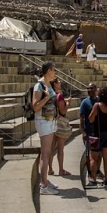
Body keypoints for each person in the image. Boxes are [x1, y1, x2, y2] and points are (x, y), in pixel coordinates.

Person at [30, 63, 62, 195]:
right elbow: (35, 106)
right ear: (49, 71)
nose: (55, 72)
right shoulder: (39, 85)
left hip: (50, 121)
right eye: (54, 70)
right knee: (45, 153)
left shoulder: (48, 84)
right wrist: (47, 98)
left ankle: (45, 180)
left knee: (48, 152)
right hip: (43, 122)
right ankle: (43, 185)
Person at [86, 88, 107, 187]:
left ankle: (94, 180)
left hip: (97, 135)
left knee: (93, 158)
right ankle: (106, 179)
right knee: (106, 157)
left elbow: (91, 119)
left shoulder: (97, 106)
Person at [51, 77, 72, 176]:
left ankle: (50, 169)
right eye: (58, 82)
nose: (60, 83)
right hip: (60, 123)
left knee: (51, 147)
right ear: (55, 84)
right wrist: (67, 103)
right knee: (60, 148)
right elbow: (63, 111)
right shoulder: (59, 96)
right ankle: (61, 170)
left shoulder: (50, 95)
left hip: (51, 122)